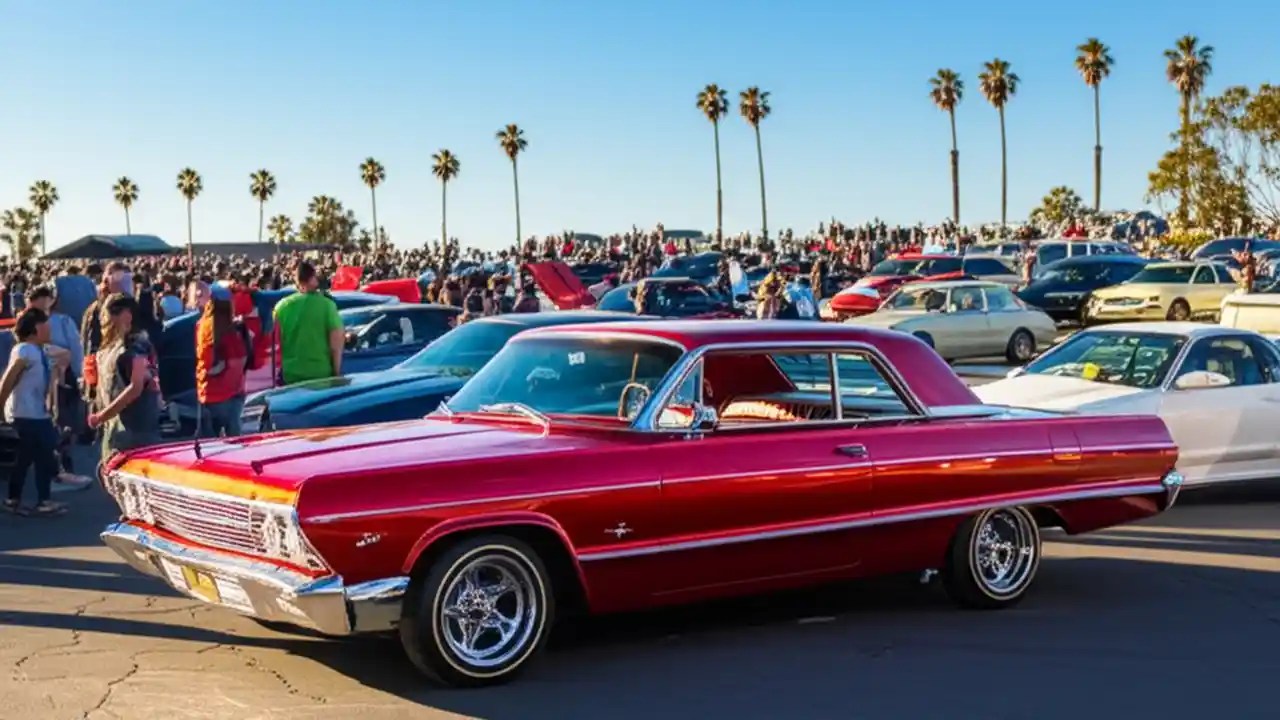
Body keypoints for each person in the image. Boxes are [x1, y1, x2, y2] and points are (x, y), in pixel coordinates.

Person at [0, 309, 70, 516]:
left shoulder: (37, 350)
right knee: (43, 455)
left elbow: (63, 355)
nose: (50, 329)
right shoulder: (24, 351)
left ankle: (18, 499)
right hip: (26, 415)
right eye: (45, 325)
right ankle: (38, 499)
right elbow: (8, 380)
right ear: (36, 328)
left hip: (36, 413)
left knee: (29, 458)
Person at [25, 286, 90, 486]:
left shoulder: (63, 321)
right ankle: (54, 470)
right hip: (38, 380)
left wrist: (79, 375)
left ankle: (64, 468)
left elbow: (76, 348)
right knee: (49, 425)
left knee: (65, 424)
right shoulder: (27, 321)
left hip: (63, 380)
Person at [88, 295, 162, 463]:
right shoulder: (113, 346)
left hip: (134, 428)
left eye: (109, 314)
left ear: (127, 315)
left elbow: (136, 387)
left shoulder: (136, 345)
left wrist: (101, 416)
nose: (104, 319)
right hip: (118, 426)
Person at [272, 262, 343, 385]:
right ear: (313, 279)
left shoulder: (281, 306)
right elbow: (336, 344)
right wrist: (337, 373)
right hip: (320, 376)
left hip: (290, 376)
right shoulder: (327, 306)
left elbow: (275, 342)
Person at [195, 285, 250, 437]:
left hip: (211, 393)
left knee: (209, 446)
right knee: (235, 444)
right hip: (235, 392)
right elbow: (245, 359)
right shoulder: (236, 329)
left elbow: (205, 361)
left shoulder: (203, 326)